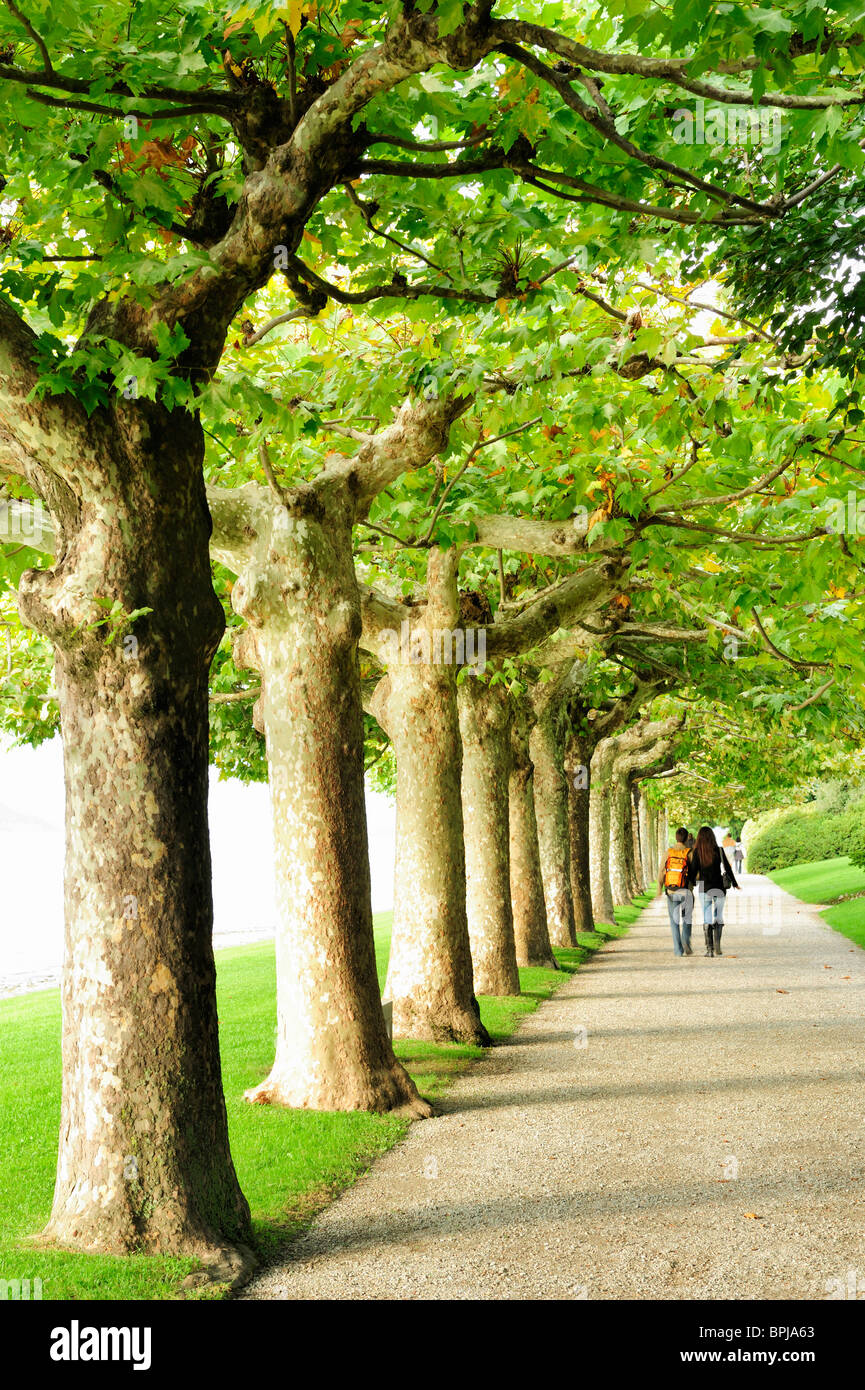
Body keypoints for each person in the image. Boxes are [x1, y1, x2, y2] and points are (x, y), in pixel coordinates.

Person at [687, 825, 739, 957]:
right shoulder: (719, 850)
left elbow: (693, 871)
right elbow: (727, 868)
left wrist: (691, 884)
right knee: (719, 916)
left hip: (705, 888)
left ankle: (709, 950)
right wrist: (735, 883)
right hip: (719, 888)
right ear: (712, 837)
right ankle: (718, 945)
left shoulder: (698, 852)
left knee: (707, 917)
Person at [657, 826, 694, 957]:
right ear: (685, 839)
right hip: (686, 891)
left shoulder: (668, 852)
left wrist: (659, 889)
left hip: (671, 891)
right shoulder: (689, 853)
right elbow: (696, 874)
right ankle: (686, 941)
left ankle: (678, 950)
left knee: (674, 921)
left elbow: (662, 871)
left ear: (676, 838)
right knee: (687, 918)